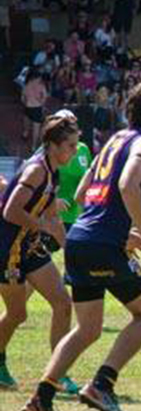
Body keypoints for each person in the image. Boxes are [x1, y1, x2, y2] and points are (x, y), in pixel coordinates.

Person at [21, 81, 141, 411]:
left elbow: (82, 189)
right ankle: (102, 384)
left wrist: (112, 227)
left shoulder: (115, 139)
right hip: (103, 243)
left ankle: (41, 399)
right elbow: (127, 185)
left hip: (80, 238)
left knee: (87, 329)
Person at [0, 116, 81, 393]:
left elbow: (50, 214)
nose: (75, 150)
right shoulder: (36, 170)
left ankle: (57, 373)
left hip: (30, 246)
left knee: (62, 303)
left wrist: (68, 246)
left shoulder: (53, 171)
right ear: (53, 145)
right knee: (17, 314)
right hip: (8, 249)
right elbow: (10, 211)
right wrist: (44, 226)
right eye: (70, 145)